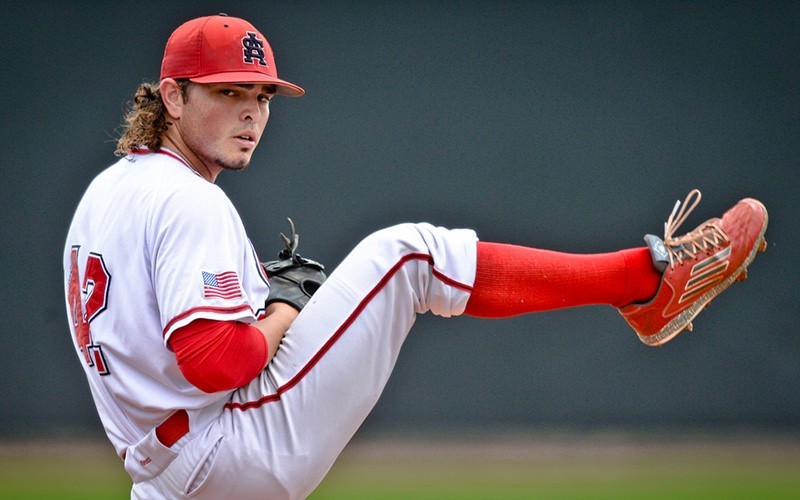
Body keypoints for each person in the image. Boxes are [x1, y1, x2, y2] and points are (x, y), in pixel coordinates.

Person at [63, 14, 768, 499]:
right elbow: (216, 359)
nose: (251, 114)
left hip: (159, 473)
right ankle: (645, 284)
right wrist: (281, 309)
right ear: (174, 96)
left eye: (261, 96)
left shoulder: (107, 193)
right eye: (227, 93)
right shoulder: (191, 201)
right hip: (223, 455)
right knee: (408, 259)